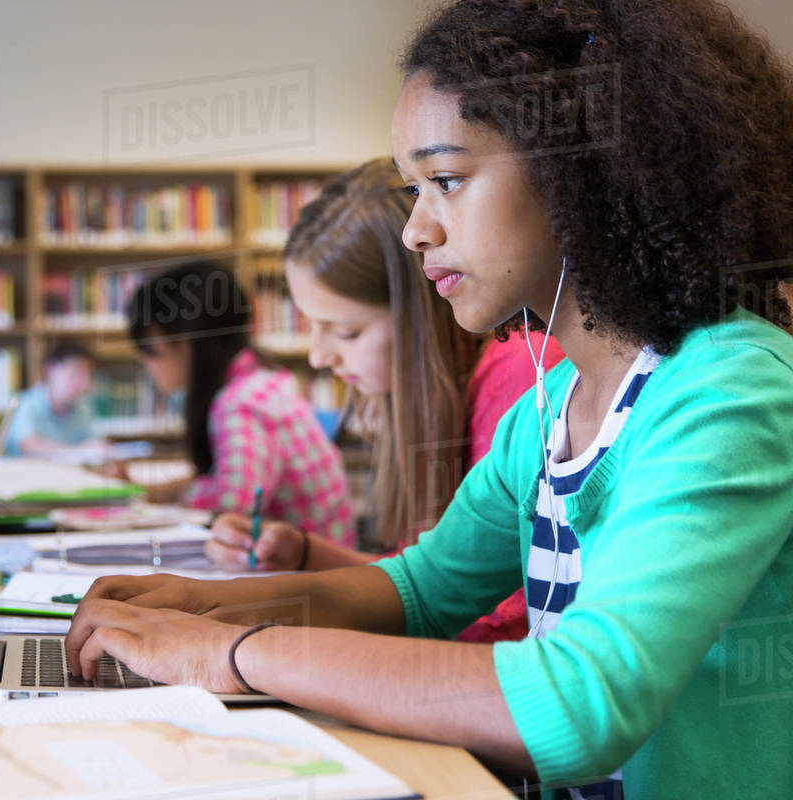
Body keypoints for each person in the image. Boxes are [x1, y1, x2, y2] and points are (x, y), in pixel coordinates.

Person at [64, 1, 793, 796]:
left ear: (580, 175)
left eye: (445, 180)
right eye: (414, 189)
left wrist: (232, 653)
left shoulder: (731, 388)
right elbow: (419, 591)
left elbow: (582, 704)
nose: (415, 231)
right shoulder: (550, 409)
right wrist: (203, 609)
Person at [207, 159, 564, 644]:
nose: (317, 355)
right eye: (312, 327)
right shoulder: (446, 393)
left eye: (346, 331)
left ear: (424, 313)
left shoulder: (518, 375)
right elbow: (428, 587)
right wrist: (304, 555)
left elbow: (492, 626)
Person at [127, 260, 355, 543]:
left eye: (150, 350)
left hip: (309, 575)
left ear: (186, 343)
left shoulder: (240, 403)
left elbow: (232, 506)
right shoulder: (262, 379)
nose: (145, 364)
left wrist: (175, 493)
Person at [4, 341, 105, 458]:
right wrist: (79, 451)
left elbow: (95, 443)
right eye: (77, 374)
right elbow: (28, 446)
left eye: (88, 376)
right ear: (51, 369)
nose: (86, 384)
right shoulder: (25, 403)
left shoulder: (84, 406)